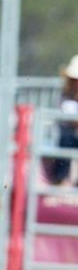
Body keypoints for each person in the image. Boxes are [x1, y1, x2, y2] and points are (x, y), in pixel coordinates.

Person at [46, 56, 78, 185]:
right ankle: (61, 179)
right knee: (66, 139)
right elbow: (71, 120)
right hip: (70, 137)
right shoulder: (65, 98)